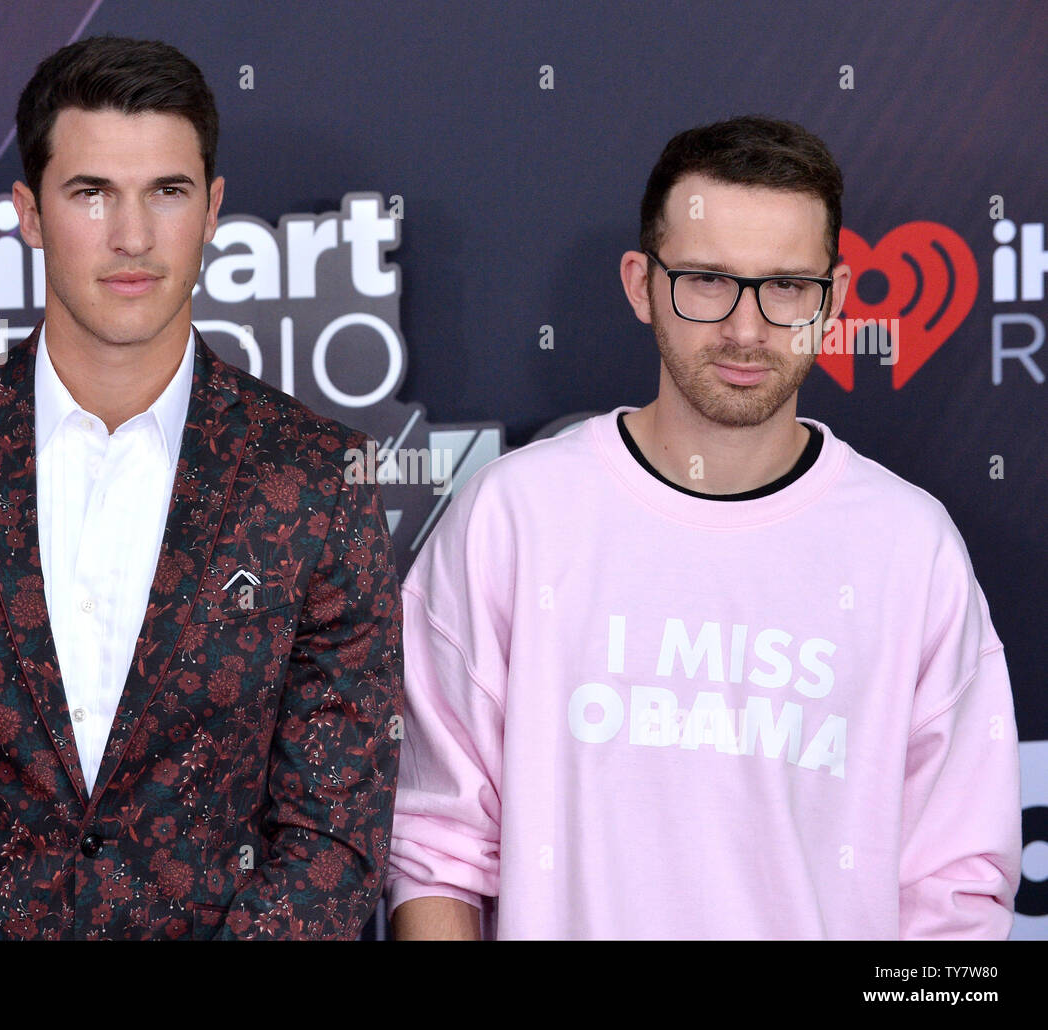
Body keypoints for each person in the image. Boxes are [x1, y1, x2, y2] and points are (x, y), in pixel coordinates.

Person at [0, 35, 402, 940]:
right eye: (91, 193)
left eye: (168, 191)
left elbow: (330, 839)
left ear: (213, 210)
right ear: (29, 216)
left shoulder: (316, 482)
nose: (132, 237)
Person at [385, 115, 1020, 940]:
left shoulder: (911, 548)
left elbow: (957, 890)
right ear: (640, 283)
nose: (748, 329)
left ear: (833, 295)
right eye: (709, 281)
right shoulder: (512, 519)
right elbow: (434, 844)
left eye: (786, 285)